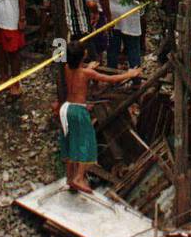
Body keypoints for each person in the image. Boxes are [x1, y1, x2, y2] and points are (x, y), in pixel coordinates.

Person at [59, 42, 139, 193]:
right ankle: (79, 177)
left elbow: (78, 74)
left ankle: (70, 178)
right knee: (86, 142)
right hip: (78, 110)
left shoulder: (67, 68)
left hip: (66, 108)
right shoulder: (86, 73)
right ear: (83, 56)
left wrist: (88, 67)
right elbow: (110, 79)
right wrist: (130, 74)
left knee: (71, 142)